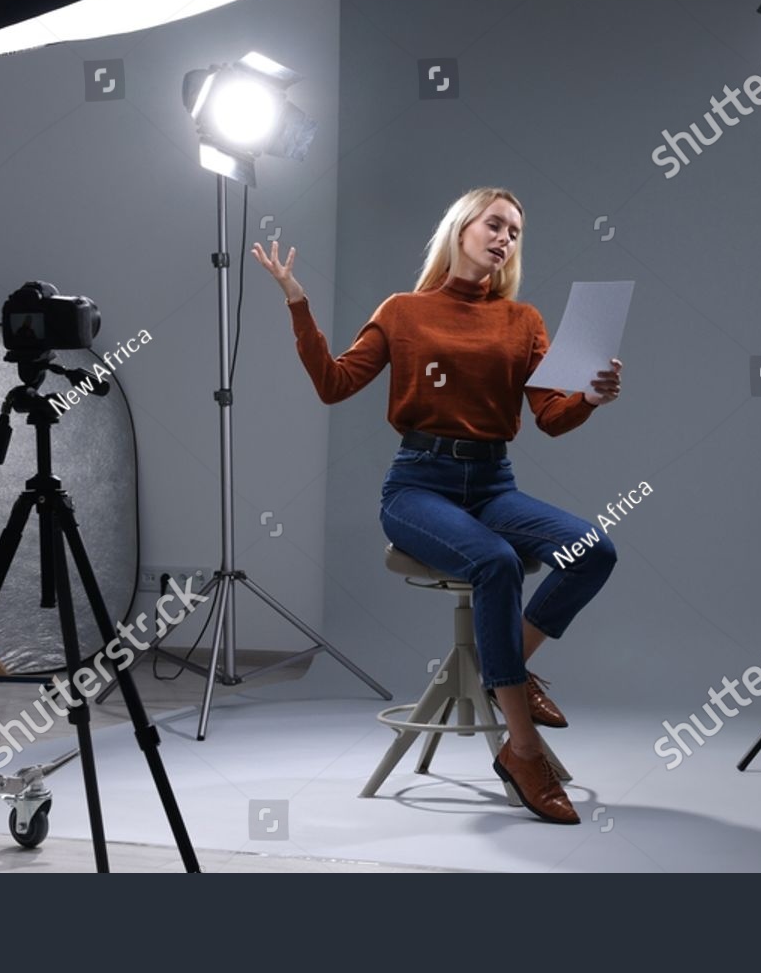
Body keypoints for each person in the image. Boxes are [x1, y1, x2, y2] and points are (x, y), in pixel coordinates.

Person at [252, 186, 622, 824]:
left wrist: (588, 396)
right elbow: (333, 384)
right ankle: (522, 751)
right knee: (498, 563)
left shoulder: (524, 322)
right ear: (461, 227)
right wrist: (297, 303)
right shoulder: (404, 311)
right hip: (418, 486)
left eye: (515, 233)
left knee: (593, 550)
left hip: (494, 485)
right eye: (495, 224)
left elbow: (551, 420)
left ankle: (507, 667)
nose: (505, 238)